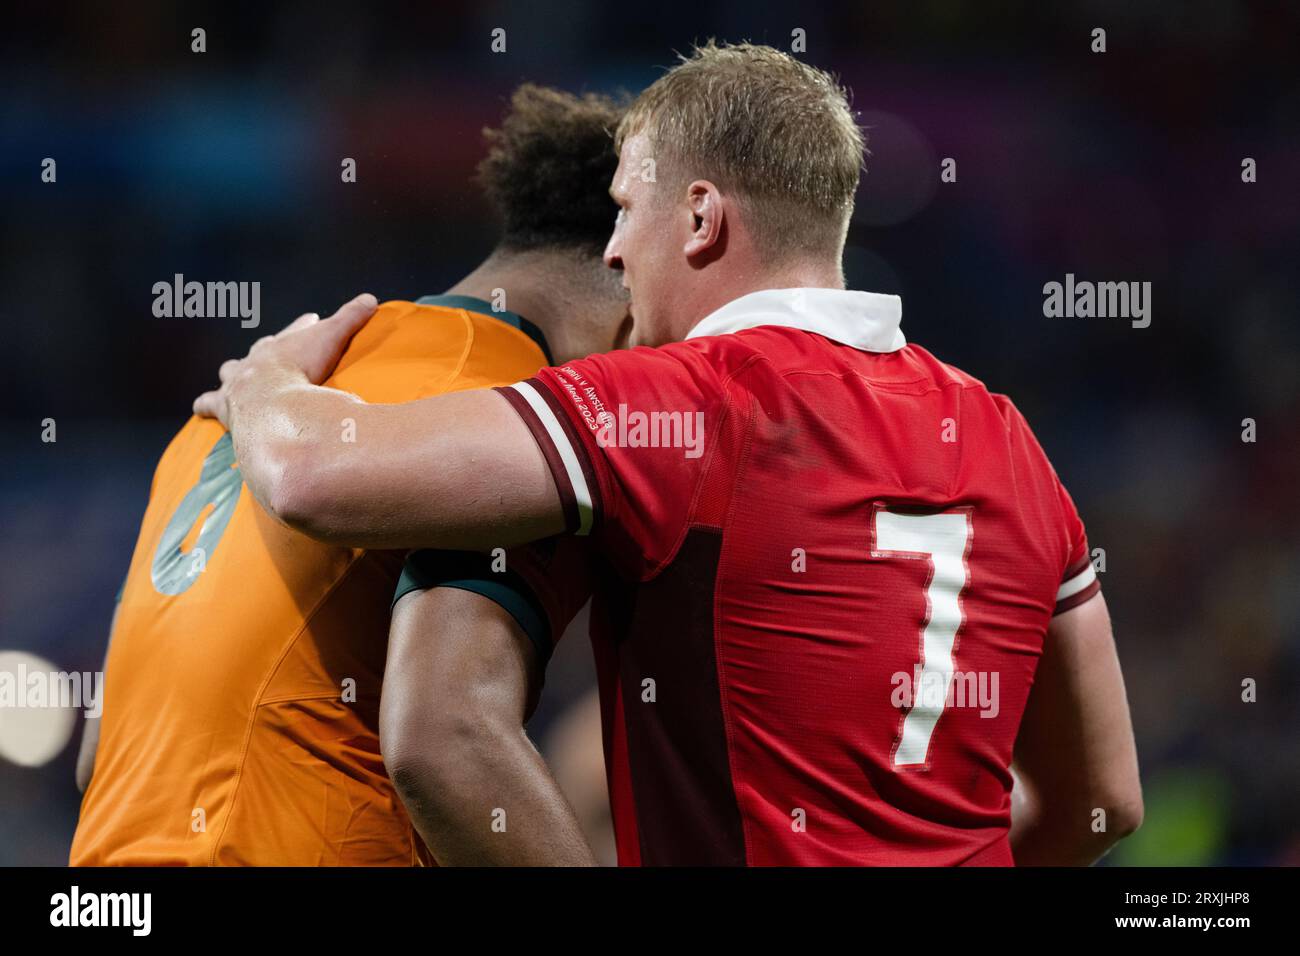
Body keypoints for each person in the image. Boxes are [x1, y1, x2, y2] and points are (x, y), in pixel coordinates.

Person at [195, 42, 1143, 866]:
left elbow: (316, 473)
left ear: (700, 218)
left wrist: (261, 381)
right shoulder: (1006, 435)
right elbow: (1103, 798)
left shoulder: (687, 403)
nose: (609, 252)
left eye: (622, 208)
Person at [70, 85, 628, 866]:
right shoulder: (516, 417)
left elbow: (98, 753)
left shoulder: (242, 400)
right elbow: (447, 741)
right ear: (628, 276)